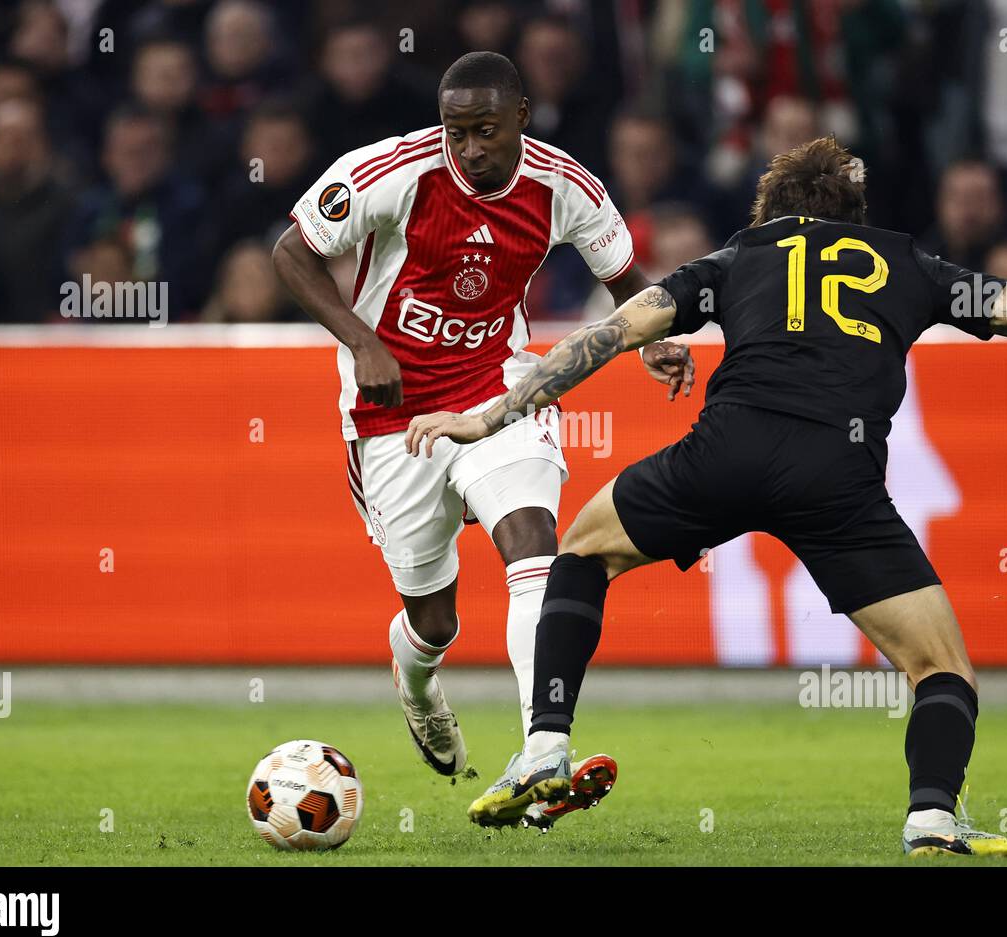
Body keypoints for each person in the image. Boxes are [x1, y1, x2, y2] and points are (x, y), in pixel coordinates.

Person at [405, 135, 1007, 854]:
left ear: (771, 210)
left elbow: (604, 337)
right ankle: (931, 818)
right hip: (837, 478)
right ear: (854, 214)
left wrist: (492, 417)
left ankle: (546, 742)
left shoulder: (734, 259)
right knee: (942, 671)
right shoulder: (915, 266)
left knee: (580, 550)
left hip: (726, 453)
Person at [271, 51, 692, 829]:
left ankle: (542, 749)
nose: (469, 149)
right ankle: (421, 685)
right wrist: (363, 341)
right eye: (456, 132)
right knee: (433, 619)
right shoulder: (389, 173)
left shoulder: (566, 186)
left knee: (536, 543)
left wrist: (656, 342)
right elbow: (291, 252)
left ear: (522, 119)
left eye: (486, 131)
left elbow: (630, 286)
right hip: (391, 417)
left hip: (499, 391)